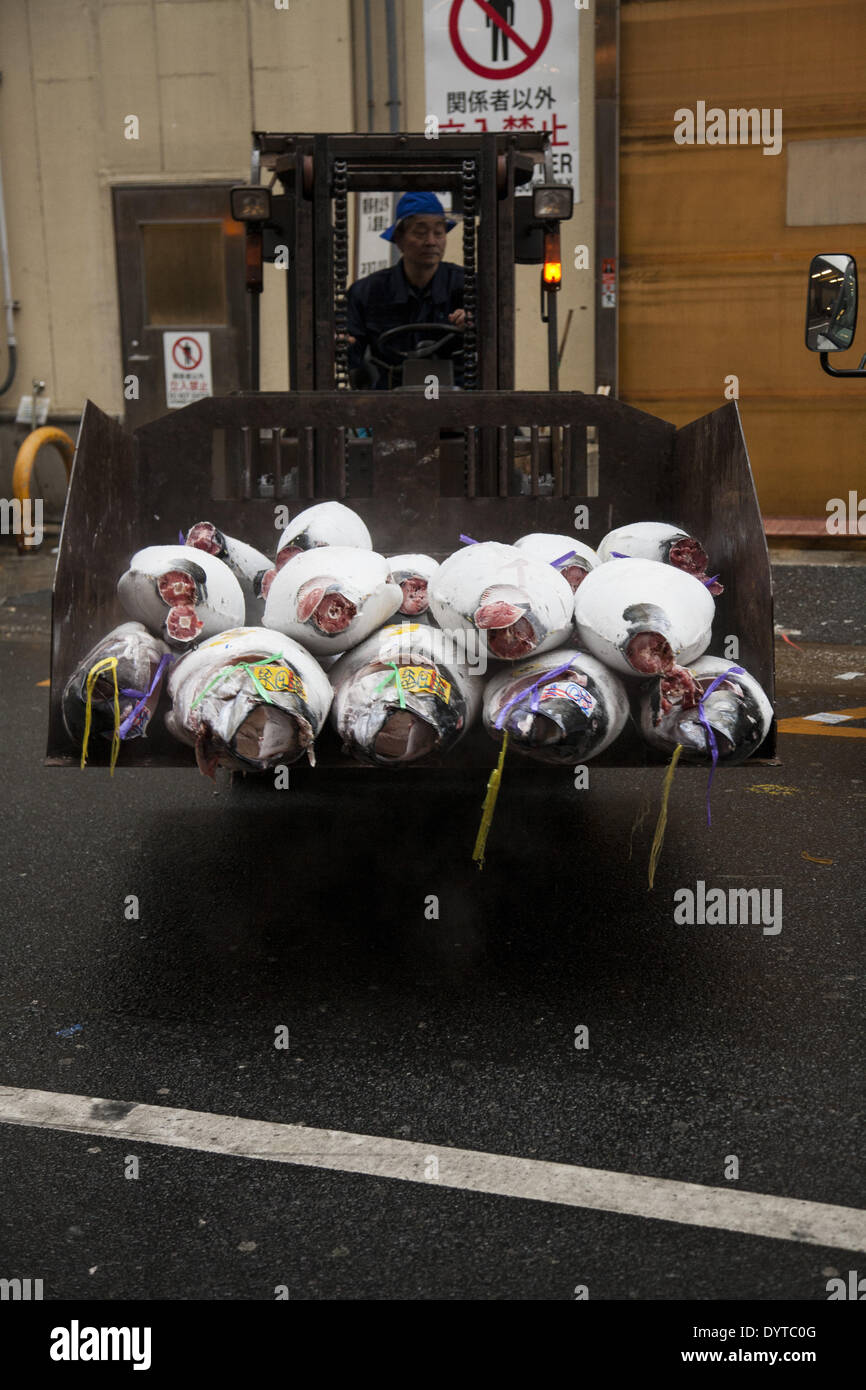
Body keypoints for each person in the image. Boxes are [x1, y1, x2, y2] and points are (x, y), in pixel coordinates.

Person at [346, 192, 466, 389]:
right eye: (420, 233)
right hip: (388, 403)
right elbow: (351, 354)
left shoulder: (468, 287)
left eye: (438, 232)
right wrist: (340, 344)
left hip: (460, 400)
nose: (431, 241)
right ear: (399, 239)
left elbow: (493, 344)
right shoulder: (366, 293)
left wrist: (474, 324)